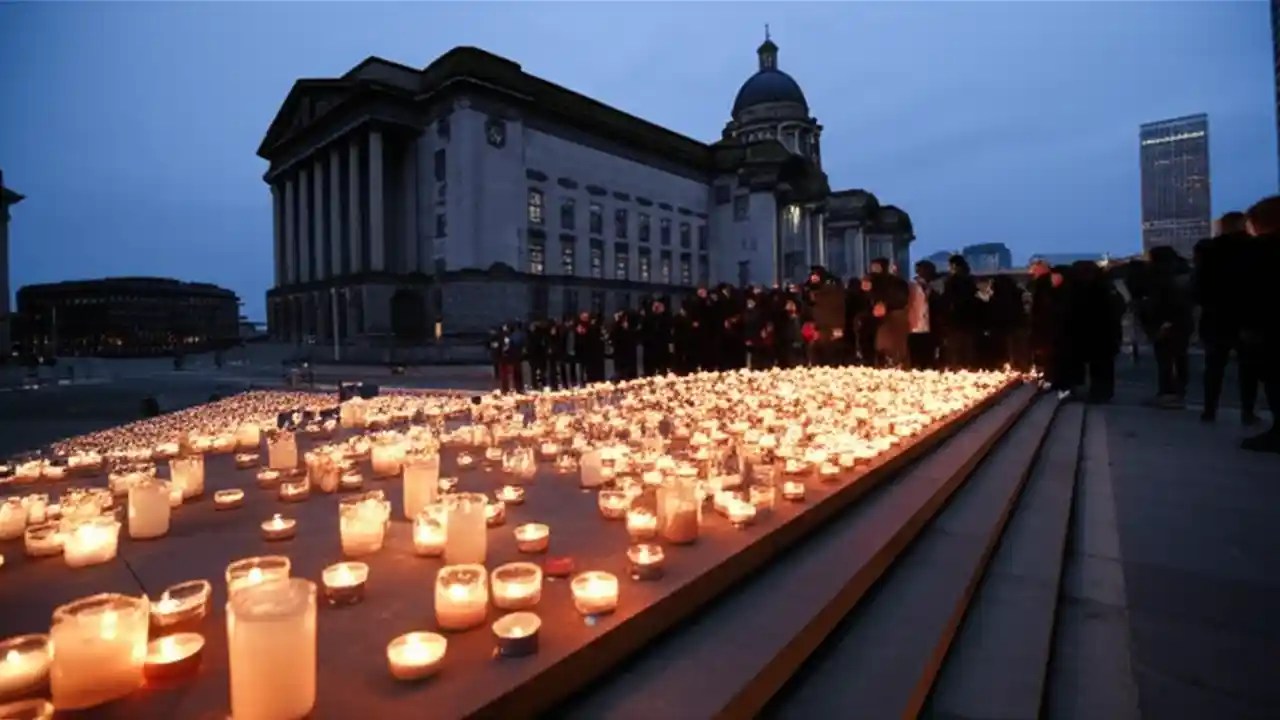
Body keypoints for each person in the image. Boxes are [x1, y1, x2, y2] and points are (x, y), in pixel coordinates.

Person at [1194, 212, 1260, 424]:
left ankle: (1209, 409)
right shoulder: (1254, 248)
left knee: (1214, 366)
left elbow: (1199, 284)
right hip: (1247, 315)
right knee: (1248, 369)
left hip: (1215, 315)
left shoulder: (1208, 250)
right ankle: (1247, 412)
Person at [1239, 195, 1280, 452]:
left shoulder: (1260, 251)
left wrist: (1248, 325)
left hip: (1269, 328)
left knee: (1274, 379)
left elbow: (1251, 291)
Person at [1140, 246, 1194, 408]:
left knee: (1166, 359)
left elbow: (1164, 302)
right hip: (1181, 322)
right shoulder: (1183, 274)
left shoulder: (1161, 277)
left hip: (1168, 323)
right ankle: (1176, 392)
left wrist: (1163, 323)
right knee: (1179, 357)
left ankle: (1168, 393)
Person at [942, 255, 980, 370]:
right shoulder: (969, 280)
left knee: (955, 350)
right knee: (968, 349)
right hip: (969, 319)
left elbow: (947, 300)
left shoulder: (952, 281)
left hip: (956, 320)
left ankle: (957, 369)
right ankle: (968, 369)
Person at [907, 261, 941, 369]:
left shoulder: (935, 286)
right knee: (918, 355)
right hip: (917, 326)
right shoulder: (912, 286)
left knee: (927, 355)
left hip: (930, 325)